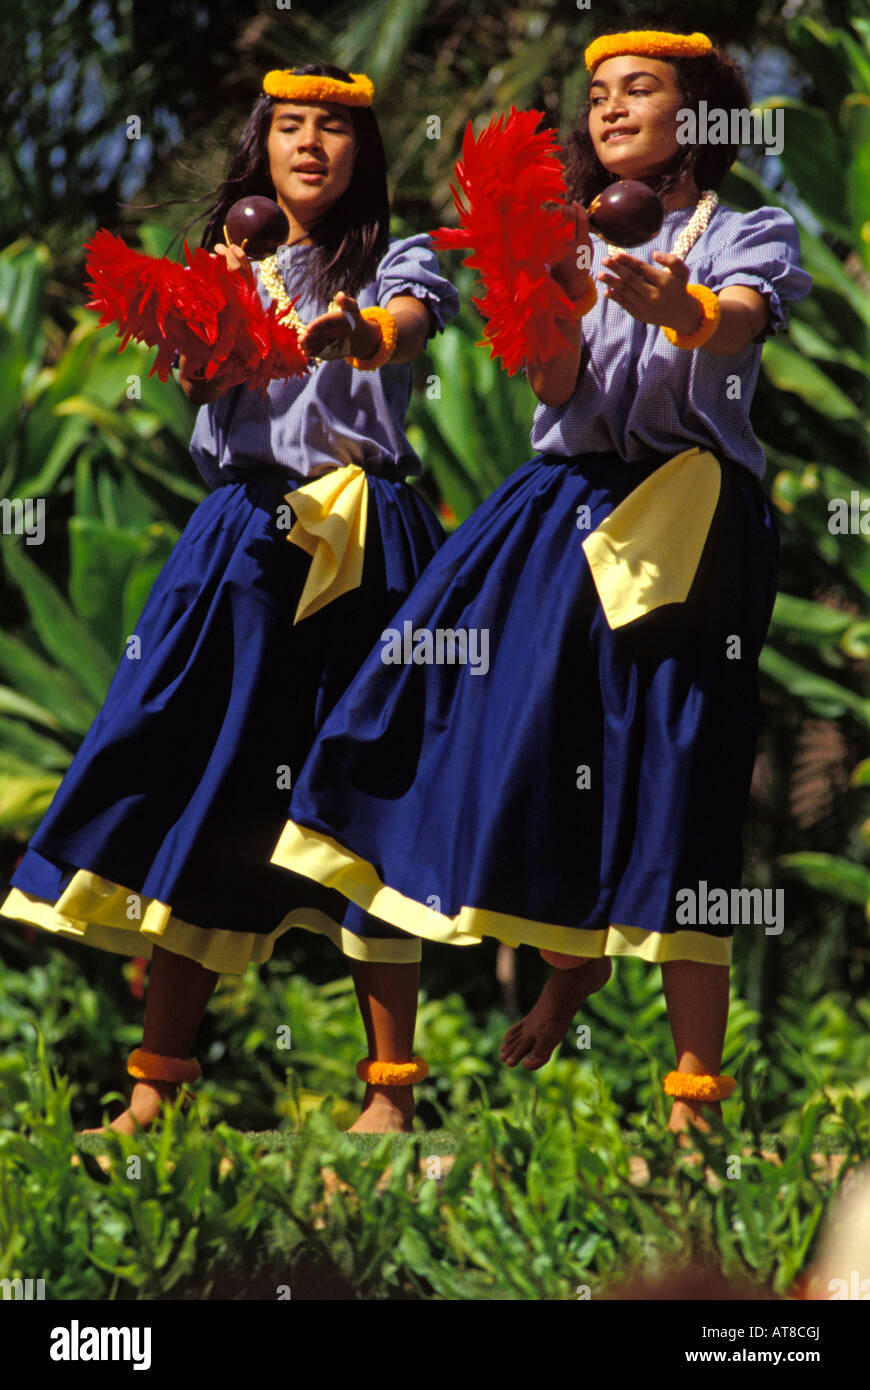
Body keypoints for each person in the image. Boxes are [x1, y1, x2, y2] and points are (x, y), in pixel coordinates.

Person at [268, 31, 813, 1134]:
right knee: (461, 725)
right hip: (560, 506)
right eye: (599, 94)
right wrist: (545, 288)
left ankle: (694, 1103)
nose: (611, 109)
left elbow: (741, 318)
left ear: (702, 115)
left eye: (641, 91)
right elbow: (559, 377)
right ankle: (555, 964)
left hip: (688, 518)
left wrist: (683, 310)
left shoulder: (743, 229)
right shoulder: (569, 238)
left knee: (674, 768)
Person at [1, 63, 459, 1135]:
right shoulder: (221, 267)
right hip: (246, 538)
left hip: (366, 535)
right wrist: (217, 294)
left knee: (370, 794)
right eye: (290, 127)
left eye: (335, 130)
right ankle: (154, 1086)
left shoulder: (403, 257)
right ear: (261, 150)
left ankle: (388, 1095)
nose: (311, 145)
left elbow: (403, 323)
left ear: (364, 155)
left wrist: (355, 335)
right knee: (201, 781)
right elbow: (204, 380)